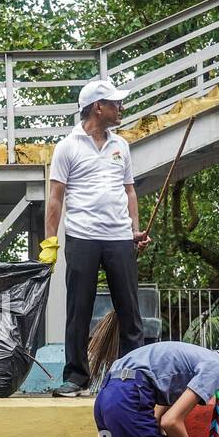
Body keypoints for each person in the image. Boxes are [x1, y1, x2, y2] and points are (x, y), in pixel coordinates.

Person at [38, 78, 149, 397]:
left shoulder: (121, 146)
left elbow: (130, 192)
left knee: (129, 310)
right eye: (115, 103)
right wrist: (50, 244)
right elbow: (55, 198)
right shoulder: (67, 146)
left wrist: (133, 230)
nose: (121, 108)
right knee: (78, 310)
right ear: (98, 108)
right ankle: (76, 377)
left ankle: (132, 375)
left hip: (118, 237)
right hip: (82, 237)